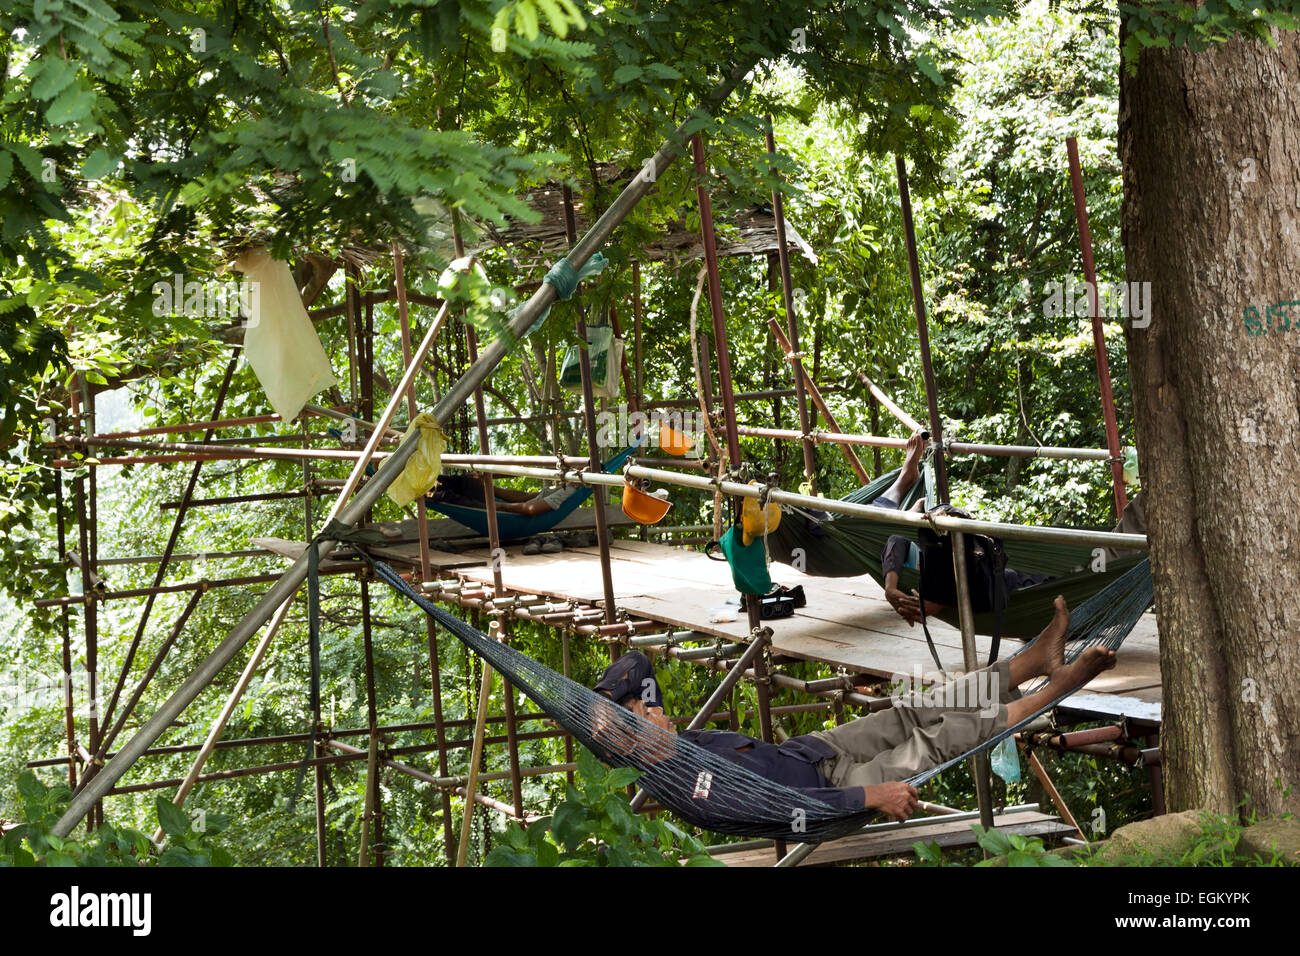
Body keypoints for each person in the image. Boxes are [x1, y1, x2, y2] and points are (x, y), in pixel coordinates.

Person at [590, 597, 1115, 822]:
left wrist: (603, 708)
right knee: (940, 737)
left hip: (813, 751)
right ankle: (1057, 688)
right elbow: (782, 812)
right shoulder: (691, 788)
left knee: (917, 709)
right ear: (635, 746)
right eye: (644, 714)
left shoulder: (668, 742)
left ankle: (1031, 660)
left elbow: (635, 665)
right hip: (838, 791)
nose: (656, 710)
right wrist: (872, 797)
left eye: (645, 704)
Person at [874, 430, 1053, 627]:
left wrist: (940, 601)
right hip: (988, 584)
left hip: (1005, 581)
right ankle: (911, 492)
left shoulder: (938, 543)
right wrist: (890, 589)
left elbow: (970, 562)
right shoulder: (912, 550)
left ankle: (910, 488)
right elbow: (896, 538)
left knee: (1046, 583)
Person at [429, 472, 579, 517]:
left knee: (447, 497)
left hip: (502, 513)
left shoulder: (569, 492)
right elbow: (525, 497)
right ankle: (428, 481)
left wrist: (500, 505)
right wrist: (489, 487)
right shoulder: (564, 487)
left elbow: (531, 509)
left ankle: (427, 491)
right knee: (463, 481)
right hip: (499, 503)